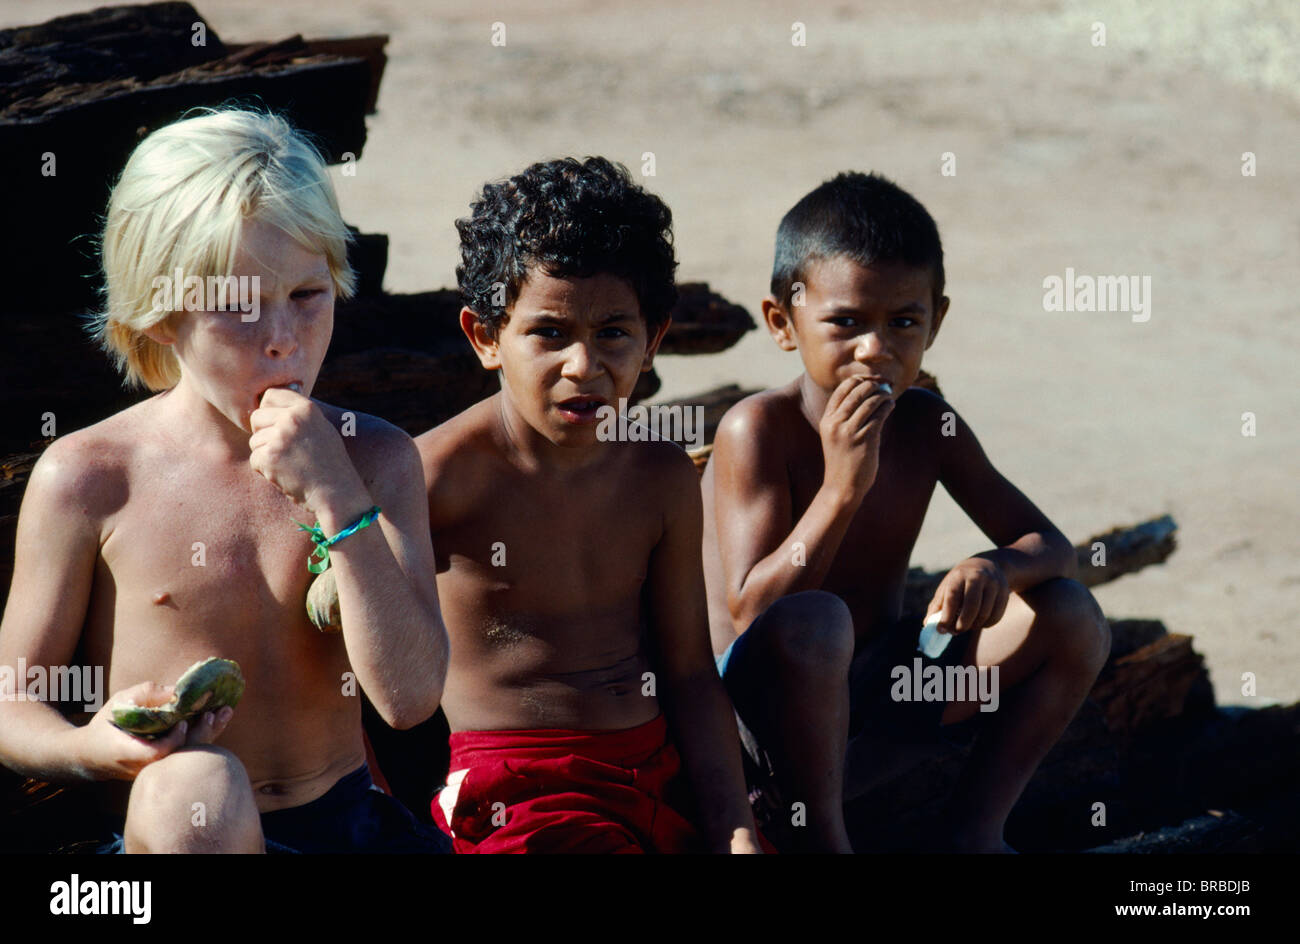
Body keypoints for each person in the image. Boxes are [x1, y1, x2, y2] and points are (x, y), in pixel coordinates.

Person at [0, 108, 451, 853]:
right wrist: (91, 747)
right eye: (238, 305)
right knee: (195, 787)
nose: (283, 337)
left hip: (349, 828)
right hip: (176, 835)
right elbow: (12, 706)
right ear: (158, 316)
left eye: (308, 295)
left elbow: (408, 701)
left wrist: (338, 499)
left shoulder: (374, 460)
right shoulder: (91, 479)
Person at [701, 171, 1111, 853]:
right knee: (820, 619)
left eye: (903, 322)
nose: (875, 348)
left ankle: (975, 832)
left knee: (1070, 613)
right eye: (846, 323)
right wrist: (842, 488)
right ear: (782, 322)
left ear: (936, 321)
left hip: (882, 691)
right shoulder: (757, 431)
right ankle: (826, 843)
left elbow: (1053, 547)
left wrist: (997, 567)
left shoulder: (926, 424)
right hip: (758, 711)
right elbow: (754, 612)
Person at [416, 156, 764, 853]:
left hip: (654, 774)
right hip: (516, 792)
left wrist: (735, 827)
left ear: (653, 339)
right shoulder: (435, 477)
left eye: (612, 332)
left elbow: (690, 673)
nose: (584, 365)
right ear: (486, 338)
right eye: (549, 333)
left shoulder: (661, 477)